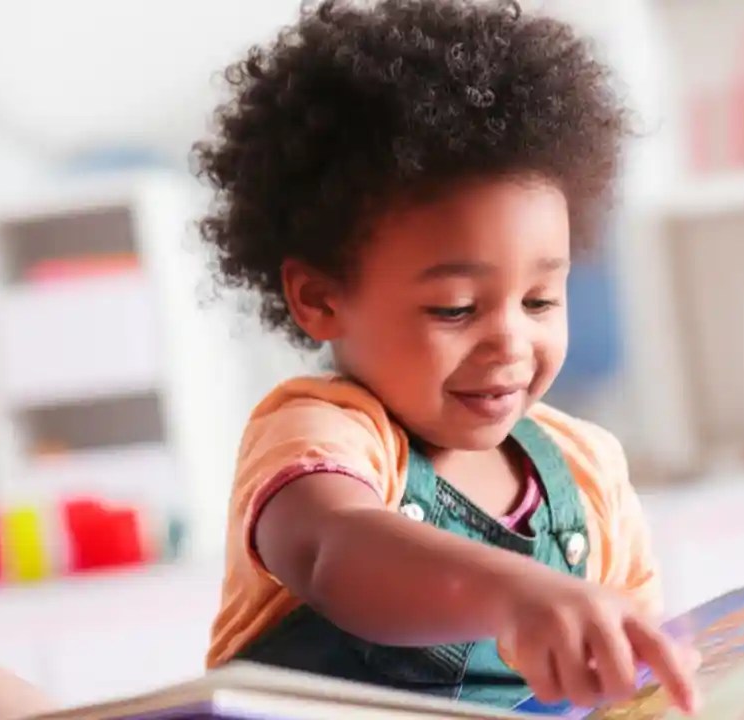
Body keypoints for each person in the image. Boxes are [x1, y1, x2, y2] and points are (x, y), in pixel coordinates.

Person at [195, 0, 699, 713]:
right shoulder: (326, 433)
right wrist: (514, 593)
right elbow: (334, 552)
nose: (510, 342)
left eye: (540, 301)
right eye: (456, 308)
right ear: (319, 298)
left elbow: (631, 685)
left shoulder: (588, 474)